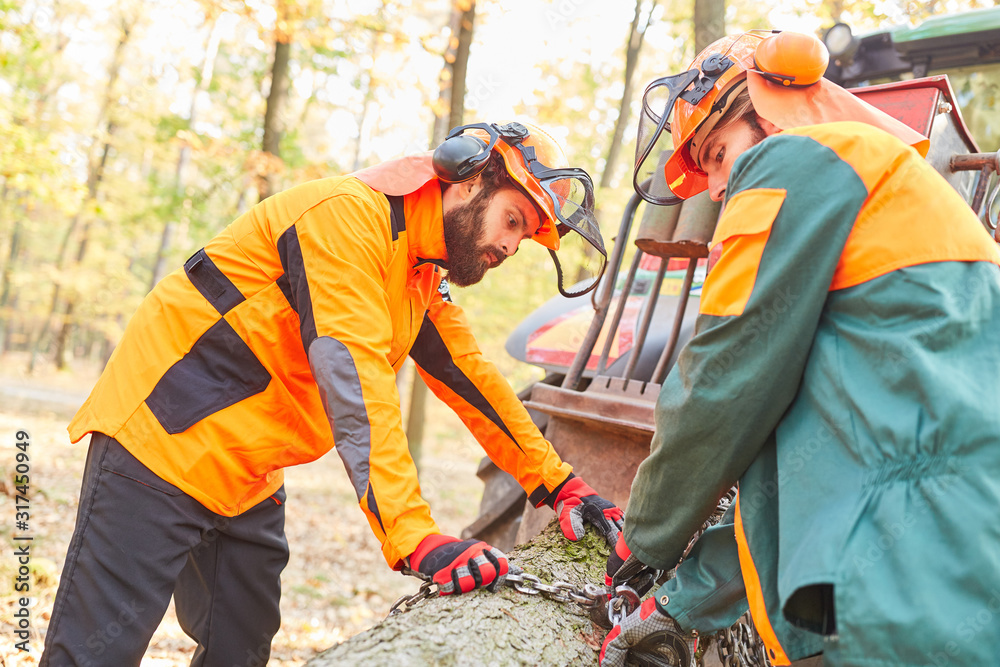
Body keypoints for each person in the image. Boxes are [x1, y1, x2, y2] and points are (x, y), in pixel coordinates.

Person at [42, 120, 624, 665]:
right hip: (161, 440)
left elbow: (473, 380)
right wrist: (415, 536)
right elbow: (357, 382)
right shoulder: (347, 220)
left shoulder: (418, 270)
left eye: (523, 236)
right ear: (470, 181)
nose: (510, 246)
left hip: (249, 470)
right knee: (95, 652)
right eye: (513, 221)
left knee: (240, 646)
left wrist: (559, 484)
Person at [600, 31, 1000, 667]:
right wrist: (680, 606)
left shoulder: (802, 155)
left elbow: (721, 376)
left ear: (762, 105)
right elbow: (803, 484)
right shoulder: (885, 206)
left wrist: (640, 543)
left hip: (911, 588)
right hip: (941, 566)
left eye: (717, 155)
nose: (711, 190)